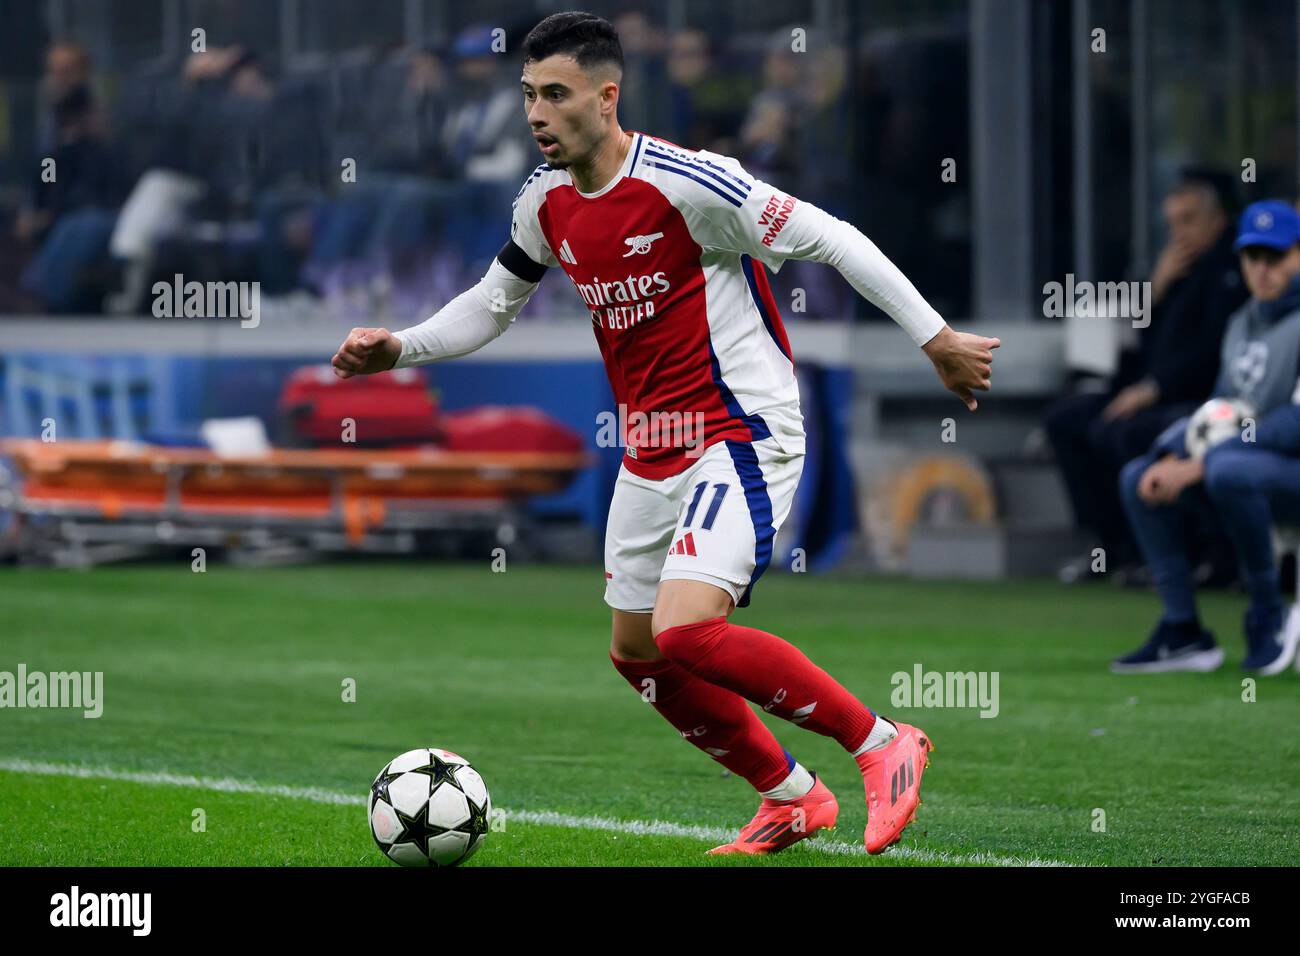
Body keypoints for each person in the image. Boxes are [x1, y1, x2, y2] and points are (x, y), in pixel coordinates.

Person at [330, 12, 999, 856]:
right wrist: (401, 347)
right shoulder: (545, 202)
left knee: (688, 629)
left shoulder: (692, 184)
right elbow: (492, 304)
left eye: (557, 95)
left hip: (741, 428)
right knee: (638, 650)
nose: (537, 113)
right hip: (652, 447)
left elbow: (832, 238)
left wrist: (935, 337)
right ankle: (792, 797)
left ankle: (880, 742)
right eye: (529, 94)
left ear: (607, 98)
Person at [1113, 199, 1300, 675]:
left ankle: (1268, 612)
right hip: (1243, 463)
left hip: (1278, 464)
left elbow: (1294, 423)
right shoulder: (1241, 322)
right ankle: (1183, 632)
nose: (1262, 269)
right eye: (1252, 257)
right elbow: (1219, 407)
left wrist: (1202, 460)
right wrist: (1171, 453)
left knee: (1227, 469)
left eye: (1275, 256)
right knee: (1140, 474)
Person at [1045, 174, 1246, 582]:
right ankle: (1111, 546)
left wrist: (1152, 390)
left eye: (1189, 220)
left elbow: (1211, 352)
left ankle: (1180, 553)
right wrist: (1156, 290)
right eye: (1172, 223)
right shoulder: (1177, 269)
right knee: (1067, 420)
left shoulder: (1233, 270)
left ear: (1217, 219)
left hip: (1198, 399)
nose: (1179, 233)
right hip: (1148, 390)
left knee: (1122, 433)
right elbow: (1147, 344)